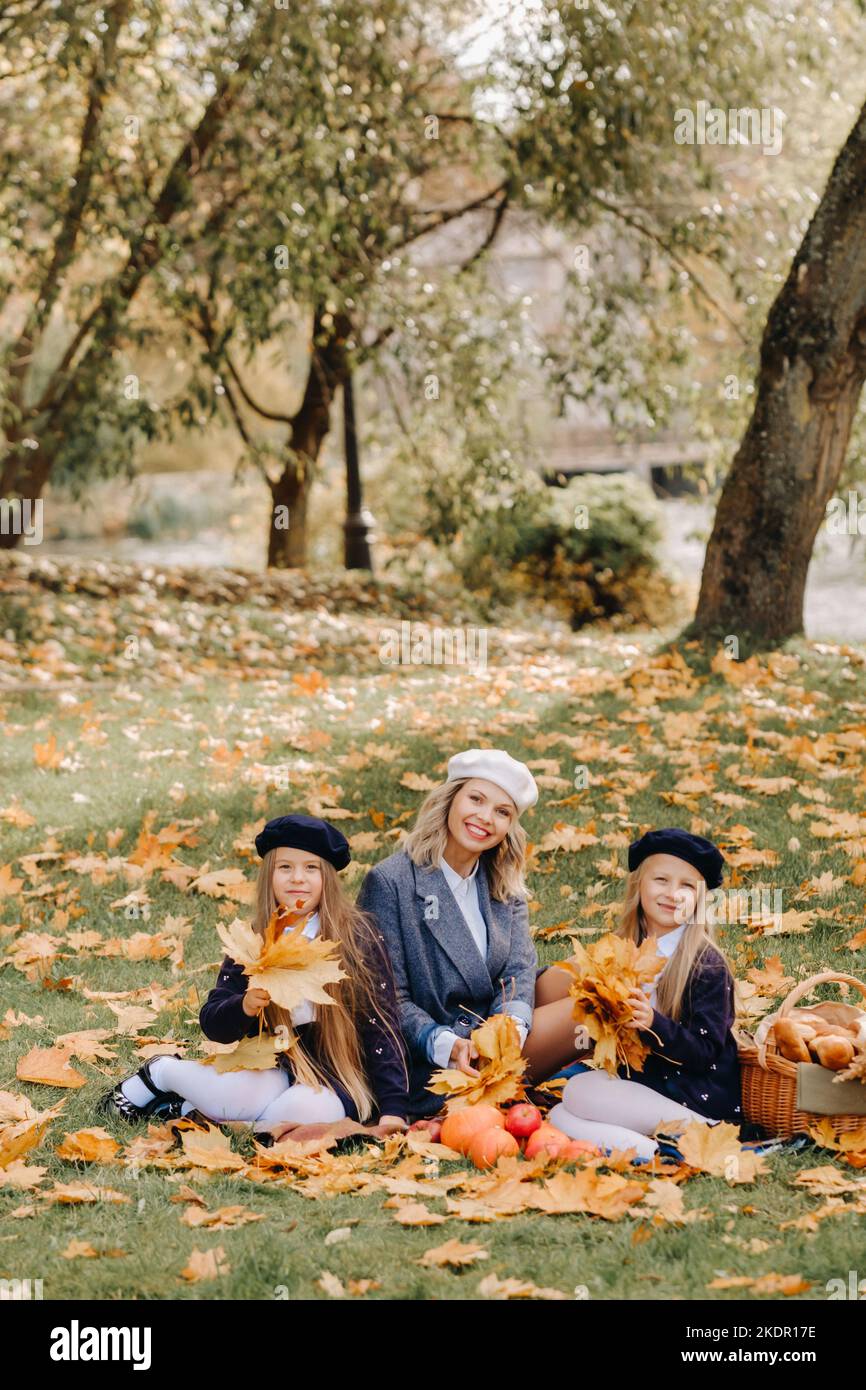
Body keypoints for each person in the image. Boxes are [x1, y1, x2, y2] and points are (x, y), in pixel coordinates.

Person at [99, 814, 408, 1134]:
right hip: (272, 1062)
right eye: (285, 867)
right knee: (231, 1100)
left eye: (310, 868)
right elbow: (213, 1023)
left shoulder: (358, 937)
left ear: (327, 877)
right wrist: (244, 1006)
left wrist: (394, 1107)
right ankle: (162, 1073)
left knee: (296, 1118)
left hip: (336, 1072)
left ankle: (197, 1110)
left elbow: (381, 1025)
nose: (297, 878)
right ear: (269, 877)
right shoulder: (254, 941)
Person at [357, 748, 590, 1118]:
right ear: (450, 799)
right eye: (476, 799)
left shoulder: (501, 879)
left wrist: (511, 1023)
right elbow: (384, 1000)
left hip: (494, 1026)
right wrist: (445, 1043)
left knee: (595, 977)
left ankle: (686, 1065)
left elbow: (518, 969)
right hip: (438, 1059)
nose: (485, 818)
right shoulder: (391, 882)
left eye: (502, 812)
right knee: (589, 1012)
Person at [548, 828, 741, 1160]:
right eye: (661, 880)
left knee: (579, 1093)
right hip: (647, 1086)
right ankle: (657, 1151)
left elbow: (706, 1051)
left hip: (695, 1099)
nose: (672, 894)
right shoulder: (624, 951)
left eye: (686, 886)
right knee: (558, 1115)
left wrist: (654, 1024)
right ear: (639, 886)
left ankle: (700, 1138)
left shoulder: (705, 964)